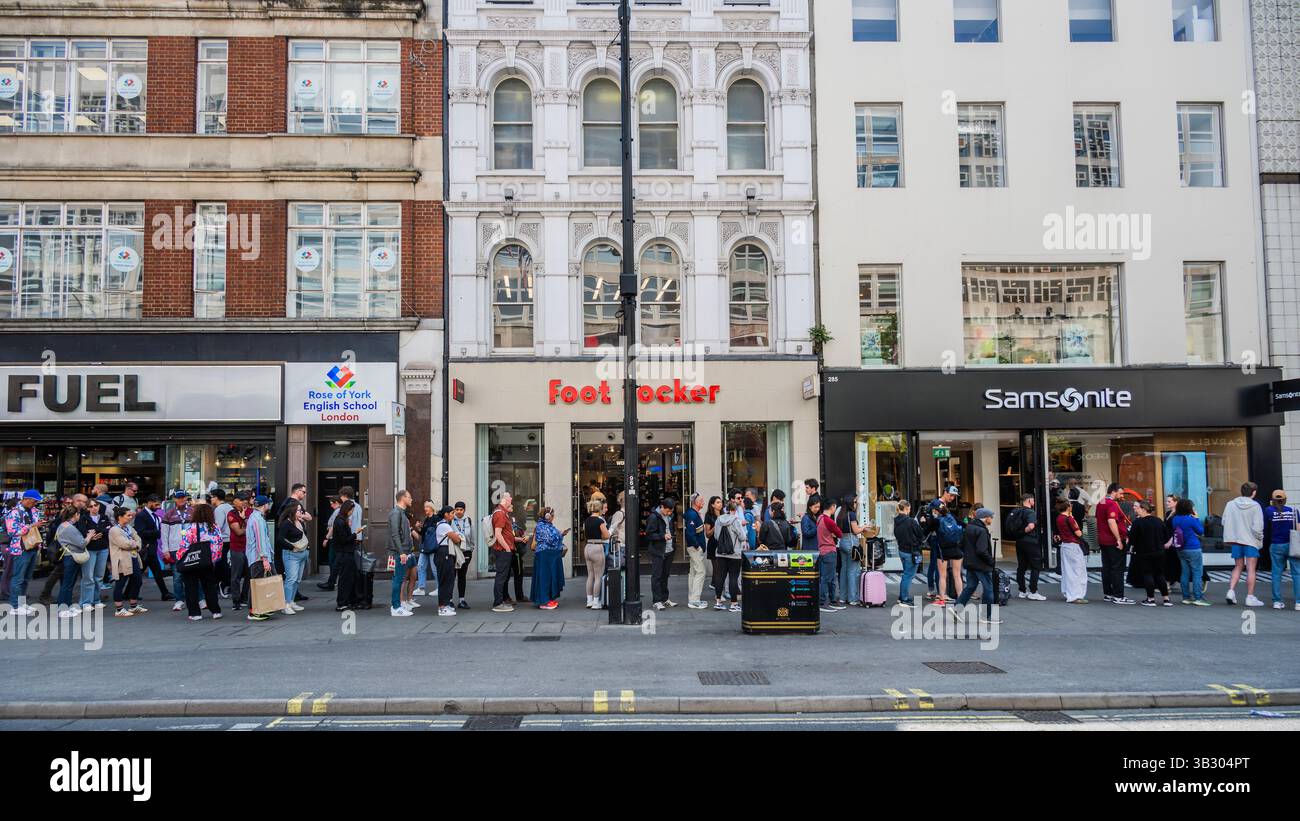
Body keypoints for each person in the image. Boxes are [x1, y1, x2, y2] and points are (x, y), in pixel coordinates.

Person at [176, 502, 224, 621]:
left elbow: (185, 545)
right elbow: (219, 543)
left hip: (193, 561)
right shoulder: (214, 527)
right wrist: (214, 559)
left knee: (191, 587)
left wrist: (179, 557)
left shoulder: (191, 528)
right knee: (209, 586)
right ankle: (216, 611)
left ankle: (195, 613)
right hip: (207, 562)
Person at [953, 508, 1001, 625]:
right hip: (981, 565)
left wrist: (969, 556)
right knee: (988, 589)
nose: (992, 519)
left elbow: (961, 545)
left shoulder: (969, 527)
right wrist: (991, 561)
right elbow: (981, 551)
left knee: (970, 586)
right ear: (985, 517)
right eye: (991, 517)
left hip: (970, 563)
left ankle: (957, 609)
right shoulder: (982, 531)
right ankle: (986, 616)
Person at [1222, 481, 1266, 607]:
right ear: (1254, 492)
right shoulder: (1255, 506)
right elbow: (1258, 527)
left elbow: (1224, 521)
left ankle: (1231, 591)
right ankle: (1250, 597)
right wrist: (1259, 540)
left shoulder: (1230, 504)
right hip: (1250, 540)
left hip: (1235, 540)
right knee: (1251, 568)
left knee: (1238, 566)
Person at [3, 490, 44, 614]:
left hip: (32, 546)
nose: (35, 503)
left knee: (26, 578)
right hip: (20, 548)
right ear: (27, 499)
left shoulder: (34, 511)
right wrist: (31, 526)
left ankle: (22, 603)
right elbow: (12, 532)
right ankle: (15, 606)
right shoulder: (14, 512)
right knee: (18, 578)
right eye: (34, 501)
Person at [1127, 500, 1172, 607]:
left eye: (1138, 508)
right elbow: (1166, 536)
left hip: (1144, 552)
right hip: (1159, 552)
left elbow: (1132, 539)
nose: (1136, 510)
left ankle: (1151, 599)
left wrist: (1130, 547)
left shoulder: (1138, 523)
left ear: (1143, 509)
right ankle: (1166, 599)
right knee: (1160, 574)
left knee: (1148, 574)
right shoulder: (1158, 520)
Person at [1095, 482, 1134, 604]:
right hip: (1112, 540)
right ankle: (1118, 596)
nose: (1122, 496)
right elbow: (1111, 521)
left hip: (1103, 539)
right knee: (1117, 568)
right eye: (1121, 493)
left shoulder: (1101, 502)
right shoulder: (1112, 504)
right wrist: (1118, 539)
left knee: (1106, 567)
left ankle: (1108, 593)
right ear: (1114, 491)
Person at [1170, 498, 1210, 607]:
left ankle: (1186, 597)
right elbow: (1201, 531)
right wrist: (1196, 518)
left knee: (1185, 572)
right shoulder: (1191, 519)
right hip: (1193, 548)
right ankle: (1198, 597)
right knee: (1197, 573)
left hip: (1181, 548)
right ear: (1189, 509)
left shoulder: (1175, 519)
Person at [108, 506, 147, 617]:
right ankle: (119, 609)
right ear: (120, 517)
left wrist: (135, 544)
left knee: (137, 581)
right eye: (128, 515)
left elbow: (138, 539)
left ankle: (133, 606)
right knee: (120, 583)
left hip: (133, 557)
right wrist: (133, 543)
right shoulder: (114, 530)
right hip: (122, 559)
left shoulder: (129, 527)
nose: (130, 517)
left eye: (131, 515)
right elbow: (123, 544)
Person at [1007, 494, 1046, 601]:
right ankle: (1033, 591)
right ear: (1029, 500)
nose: (1034, 502)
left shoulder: (1017, 511)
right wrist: (1023, 532)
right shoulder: (1030, 512)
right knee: (1036, 566)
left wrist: (1019, 535)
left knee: (1022, 566)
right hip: (1031, 542)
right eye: (1033, 500)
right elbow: (1031, 526)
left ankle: (1022, 591)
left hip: (1020, 542)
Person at [133, 495, 171, 601]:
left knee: (152, 572)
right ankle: (165, 593)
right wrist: (158, 532)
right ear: (149, 502)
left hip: (151, 548)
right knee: (153, 572)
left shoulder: (152, 515)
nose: (158, 507)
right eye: (156, 504)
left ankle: (165, 593)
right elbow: (140, 532)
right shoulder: (141, 516)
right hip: (147, 548)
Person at [160, 490, 193, 612]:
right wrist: (165, 550)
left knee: (195, 574)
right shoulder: (169, 514)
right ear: (174, 499)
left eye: (183, 497)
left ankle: (200, 599)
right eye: (178, 498)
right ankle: (179, 600)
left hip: (191, 548)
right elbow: (164, 534)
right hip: (175, 549)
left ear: (186, 498)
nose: (181, 500)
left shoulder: (193, 511)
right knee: (177, 576)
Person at [244, 496, 275, 621]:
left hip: (257, 557)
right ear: (265, 505)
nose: (269, 505)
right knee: (258, 584)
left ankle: (261, 609)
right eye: (268, 503)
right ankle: (254, 611)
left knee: (260, 583)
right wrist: (265, 558)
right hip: (258, 557)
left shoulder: (255, 517)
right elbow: (260, 540)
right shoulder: (258, 519)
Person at [712, 500, 747, 612]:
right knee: (733, 577)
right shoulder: (736, 520)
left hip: (720, 553)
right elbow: (742, 537)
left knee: (720, 577)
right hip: (734, 553)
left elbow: (716, 536)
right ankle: (734, 604)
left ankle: (718, 602)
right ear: (735, 510)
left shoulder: (718, 520)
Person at [1266, 490, 1298, 610]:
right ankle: (1298, 602)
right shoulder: (1294, 511)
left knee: (1276, 573)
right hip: (1292, 545)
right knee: (1296, 573)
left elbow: (1265, 528)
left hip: (1276, 545)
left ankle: (1277, 601)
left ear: (1273, 500)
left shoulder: (1268, 511)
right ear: (1285, 500)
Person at [277, 500, 310, 615]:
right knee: (291, 579)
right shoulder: (286, 523)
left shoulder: (299, 521)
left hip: (302, 554)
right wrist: (292, 547)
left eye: (302, 510)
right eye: (299, 510)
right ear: (293, 511)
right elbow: (280, 539)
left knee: (297, 579)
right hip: (292, 554)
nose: (302, 512)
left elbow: (309, 518)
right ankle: (285, 604)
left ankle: (291, 602)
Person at [530, 506, 567, 610]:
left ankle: (547, 599)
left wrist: (560, 534)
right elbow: (550, 539)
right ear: (548, 516)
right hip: (546, 555)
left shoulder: (544, 525)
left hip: (547, 555)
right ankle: (544, 601)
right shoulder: (543, 526)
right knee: (545, 578)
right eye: (553, 515)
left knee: (547, 577)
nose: (553, 517)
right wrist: (560, 535)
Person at [78, 497, 112, 612]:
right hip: (90, 549)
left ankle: (96, 600)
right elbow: (83, 532)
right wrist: (96, 533)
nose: (94, 508)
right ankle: (86, 602)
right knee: (88, 577)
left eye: (95, 505)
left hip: (103, 549)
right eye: (91, 506)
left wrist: (96, 533)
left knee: (99, 577)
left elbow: (109, 529)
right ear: (87, 508)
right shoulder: (84, 518)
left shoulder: (104, 517)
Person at [54, 507, 87, 618]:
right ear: (75, 515)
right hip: (71, 556)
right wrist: (90, 536)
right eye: (78, 514)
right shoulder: (70, 528)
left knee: (67, 583)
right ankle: (63, 608)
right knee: (68, 583)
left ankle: (65, 606)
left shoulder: (62, 525)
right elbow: (82, 543)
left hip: (67, 555)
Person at [387, 489, 416, 617]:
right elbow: (395, 534)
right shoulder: (396, 513)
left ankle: (398, 605)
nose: (411, 499)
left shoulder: (402, 513)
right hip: (399, 553)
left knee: (400, 578)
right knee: (398, 579)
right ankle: (396, 607)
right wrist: (401, 552)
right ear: (403, 498)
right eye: (409, 497)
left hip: (403, 552)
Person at [646, 497, 677, 611]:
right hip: (658, 550)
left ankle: (665, 599)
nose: (669, 513)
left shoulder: (669, 516)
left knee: (665, 576)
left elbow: (671, 529)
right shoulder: (654, 517)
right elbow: (649, 535)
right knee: (657, 576)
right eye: (668, 511)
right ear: (662, 507)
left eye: (671, 511)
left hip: (669, 549)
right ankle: (657, 601)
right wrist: (662, 536)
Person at [429, 505, 461, 616]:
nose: (453, 515)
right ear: (446, 514)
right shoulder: (444, 526)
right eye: (452, 513)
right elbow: (456, 539)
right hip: (444, 553)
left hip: (443, 553)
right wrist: (458, 536)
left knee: (448, 580)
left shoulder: (442, 524)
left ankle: (446, 604)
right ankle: (442, 607)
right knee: (445, 581)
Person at [1054, 499, 1088, 604]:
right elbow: (1079, 533)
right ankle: (1076, 595)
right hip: (1073, 546)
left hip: (1065, 545)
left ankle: (1068, 592)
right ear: (1068, 507)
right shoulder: (1069, 519)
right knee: (1078, 571)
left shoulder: (1059, 518)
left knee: (1067, 571)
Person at [932, 501, 965, 606]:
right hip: (956, 549)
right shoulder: (953, 517)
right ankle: (960, 599)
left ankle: (942, 599)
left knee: (942, 575)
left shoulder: (936, 521)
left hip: (943, 550)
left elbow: (925, 531)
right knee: (957, 575)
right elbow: (964, 525)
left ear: (937, 511)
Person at [836, 495, 866, 606]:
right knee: (853, 570)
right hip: (851, 542)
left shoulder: (840, 514)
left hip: (842, 542)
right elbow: (856, 530)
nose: (856, 504)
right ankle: (853, 598)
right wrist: (864, 527)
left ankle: (843, 597)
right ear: (850, 503)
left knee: (844, 570)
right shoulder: (851, 514)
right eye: (854, 502)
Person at [893, 500, 925, 607]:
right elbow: (921, 534)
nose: (910, 510)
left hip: (902, 550)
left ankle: (902, 596)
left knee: (906, 574)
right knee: (908, 575)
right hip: (911, 551)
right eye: (909, 509)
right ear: (906, 509)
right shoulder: (911, 521)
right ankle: (904, 598)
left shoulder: (896, 521)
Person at [816, 498, 845, 613]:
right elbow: (840, 534)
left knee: (830, 577)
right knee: (827, 578)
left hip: (822, 550)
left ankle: (832, 600)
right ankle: (822, 602)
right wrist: (833, 534)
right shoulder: (829, 521)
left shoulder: (819, 518)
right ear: (832, 507)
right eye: (834, 507)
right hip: (829, 551)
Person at [490, 492, 517, 613]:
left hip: (503, 550)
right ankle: (498, 603)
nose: (511, 501)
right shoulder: (500, 514)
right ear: (505, 500)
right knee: (501, 577)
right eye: (510, 499)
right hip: (502, 551)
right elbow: (498, 533)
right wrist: (507, 548)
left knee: (502, 576)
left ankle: (500, 601)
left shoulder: (501, 512)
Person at [333, 497, 360, 611]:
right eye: (351, 510)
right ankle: (341, 602)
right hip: (344, 554)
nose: (352, 513)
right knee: (344, 579)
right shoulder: (340, 521)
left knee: (349, 578)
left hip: (346, 552)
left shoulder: (342, 520)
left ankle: (348, 600)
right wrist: (355, 534)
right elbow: (344, 539)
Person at [582, 499, 610, 610]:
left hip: (587, 547)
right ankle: (595, 602)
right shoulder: (600, 521)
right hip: (597, 547)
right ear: (599, 509)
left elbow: (586, 534)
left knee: (590, 575)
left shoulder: (586, 521)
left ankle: (589, 601)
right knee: (598, 577)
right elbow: (607, 535)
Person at [224, 492, 250, 609]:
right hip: (237, 548)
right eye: (241, 500)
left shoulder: (251, 511)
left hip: (250, 548)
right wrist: (244, 521)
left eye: (246, 499)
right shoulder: (232, 513)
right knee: (236, 575)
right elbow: (238, 532)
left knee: (250, 575)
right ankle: (236, 601)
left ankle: (244, 598)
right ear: (235, 501)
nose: (244, 502)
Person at [684, 493, 709, 609]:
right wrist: (697, 546)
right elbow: (690, 533)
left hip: (694, 547)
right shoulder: (692, 515)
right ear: (696, 503)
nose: (703, 503)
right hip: (694, 548)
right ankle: (695, 599)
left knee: (693, 572)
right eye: (702, 501)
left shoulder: (692, 514)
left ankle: (692, 599)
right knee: (701, 572)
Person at [451, 502, 474, 610]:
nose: (459, 511)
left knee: (462, 576)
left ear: (464, 510)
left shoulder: (468, 520)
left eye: (461, 509)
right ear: (454, 510)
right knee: (452, 575)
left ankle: (461, 600)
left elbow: (472, 535)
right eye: (457, 509)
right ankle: (449, 600)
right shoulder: (451, 520)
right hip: (455, 551)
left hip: (466, 551)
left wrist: (471, 548)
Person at [318, 495, 342, 591]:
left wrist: (326, 538)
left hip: (333, 538)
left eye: (332, 504)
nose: (331, 506)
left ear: (336, 502)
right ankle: (332, 581)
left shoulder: (337, 511)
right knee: (334, 561)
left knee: (332, 560)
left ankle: (332, 581)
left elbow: (333, 526)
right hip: (335, 538)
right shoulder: (339, 511)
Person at [414, 500, 438, 599]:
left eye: (427, 507)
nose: (425, 509)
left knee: (434, 569)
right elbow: (423, 534)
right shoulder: (426, 519)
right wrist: (419, 528)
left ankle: (439, 588)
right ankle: (421, 588)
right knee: (420, 566)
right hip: (425, 547)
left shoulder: (436, 519)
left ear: (431, 508)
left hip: (432, 547)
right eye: (424, 507)